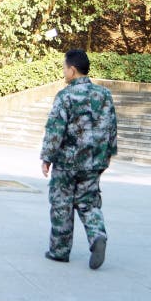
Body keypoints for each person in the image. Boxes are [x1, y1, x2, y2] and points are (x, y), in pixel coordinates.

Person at [40, 49, 117, 270]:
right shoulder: (104, 95)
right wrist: (107, 157)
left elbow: (55, 130)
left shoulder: (65, 96)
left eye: (64, 68)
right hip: (94, 161)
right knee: (88, 203)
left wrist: (47, 157)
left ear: (72, 70)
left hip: (67, 163)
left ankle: (60, 251)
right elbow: (112, 128)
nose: (64, 72)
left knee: (61, 204)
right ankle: (97, 235)